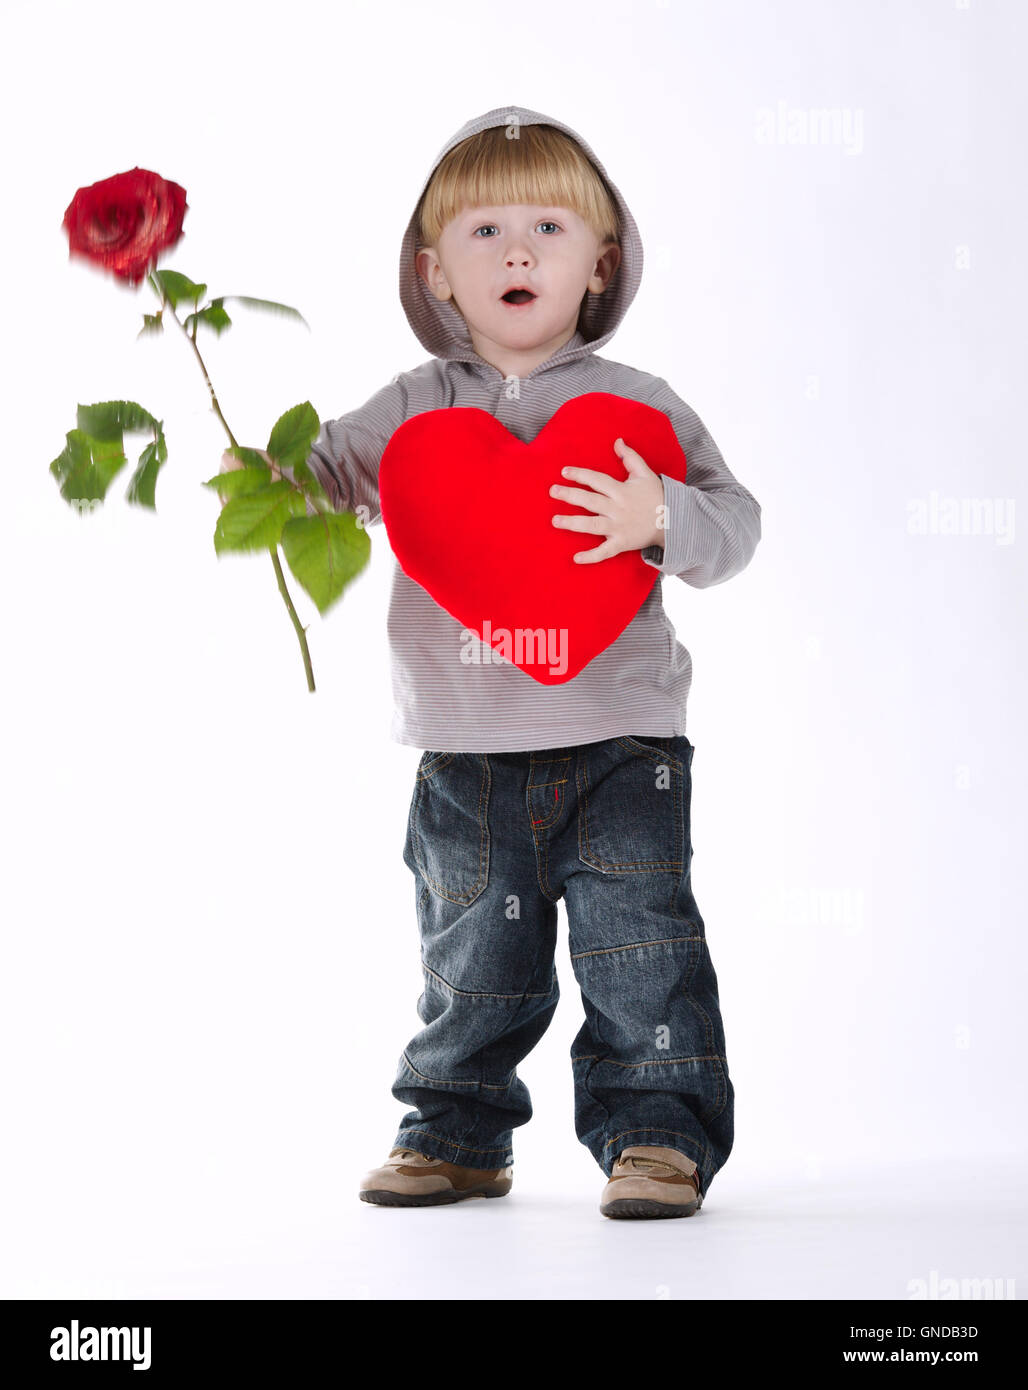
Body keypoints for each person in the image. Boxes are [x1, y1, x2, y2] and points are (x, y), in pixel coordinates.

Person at [230, 105, 761, 1218]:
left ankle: (657, 1132)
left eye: (548, 228)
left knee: (640, 945)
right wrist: (264, 471)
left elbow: (735, 523)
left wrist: (656, 510)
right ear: (434, 275)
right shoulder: (412, 408)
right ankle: (455, 1128)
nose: (516, 251)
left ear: (598, 263)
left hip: (624, 743)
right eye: (481, 233)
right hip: (465, 750)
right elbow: (324, 475)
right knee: (470, 959)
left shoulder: (635, 409)